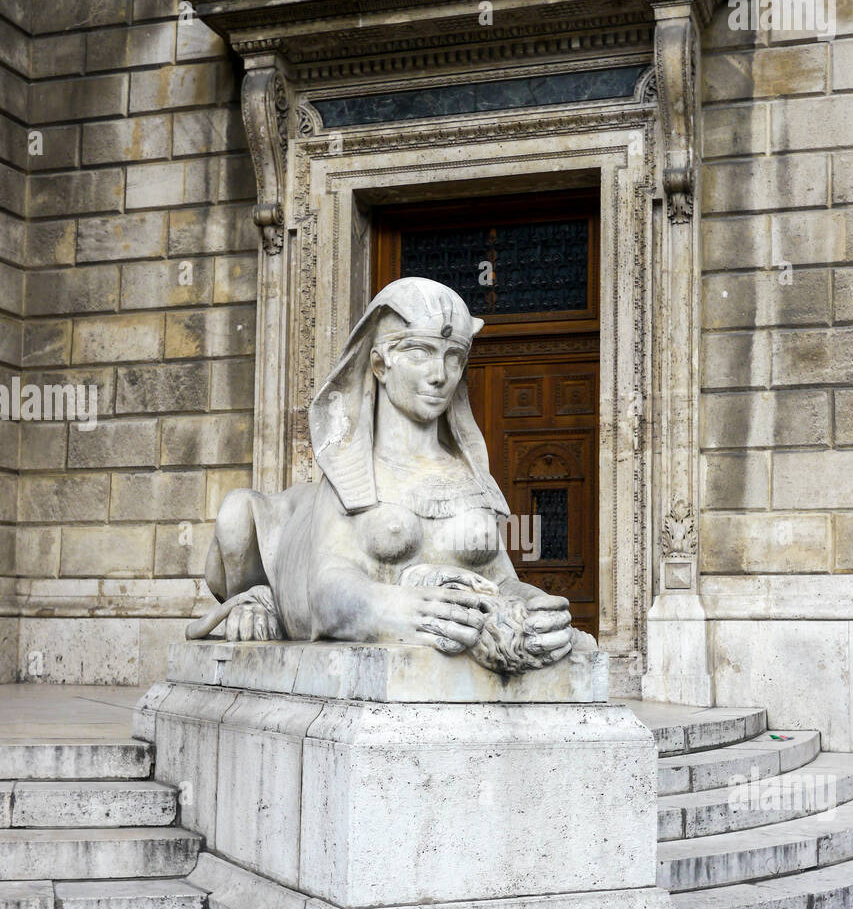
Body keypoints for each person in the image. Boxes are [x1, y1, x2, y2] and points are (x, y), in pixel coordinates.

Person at [188, 277, 592, 672]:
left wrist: (537, 609)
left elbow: (501, 583)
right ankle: (254, 599)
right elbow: (328, 592)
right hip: (300, 573)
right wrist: (392, 608)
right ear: (380, 364)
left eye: (454, 357)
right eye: (420, 353)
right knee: (236, 513)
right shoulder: (349, 475)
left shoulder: (469, 475)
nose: (440, 374)